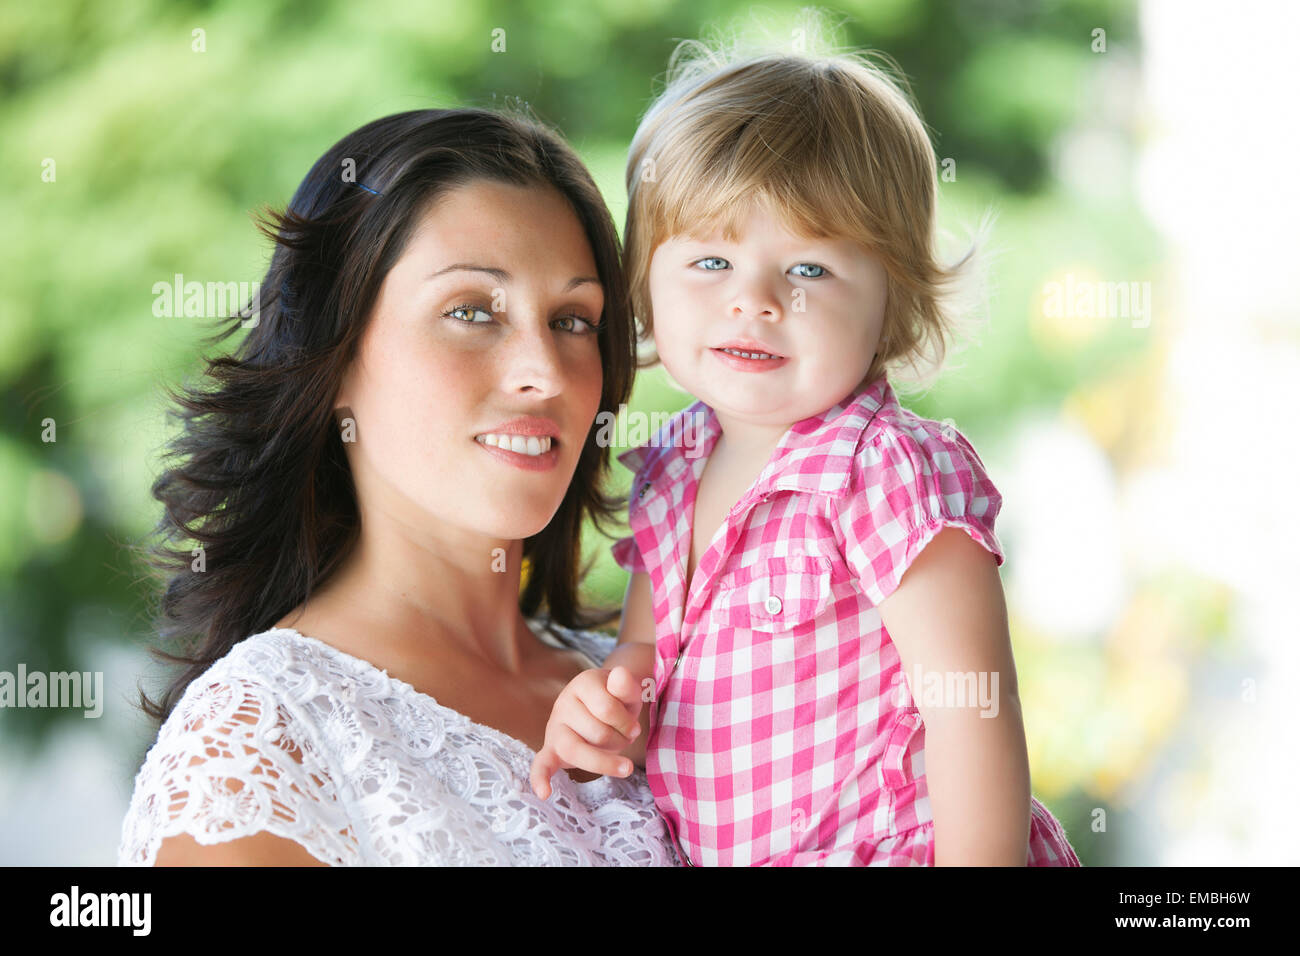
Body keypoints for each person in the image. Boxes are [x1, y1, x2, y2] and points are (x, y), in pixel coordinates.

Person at [529, 34, 1083, 866]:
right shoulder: (672, 464)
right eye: (711, 259)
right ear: (645, 283)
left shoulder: (886, 469)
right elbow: (648, 655)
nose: (753, 300)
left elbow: (971, 707)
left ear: (893, 300)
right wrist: (609, 704)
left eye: (811, 269)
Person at [117, 107, 680, 866]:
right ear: (339, 355)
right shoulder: (260, 742)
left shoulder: (654, 685)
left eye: (574, 320)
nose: (544, 372)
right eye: (472, 311)